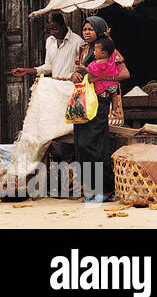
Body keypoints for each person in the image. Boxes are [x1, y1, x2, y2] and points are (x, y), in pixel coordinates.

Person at [69, 16, 130, 202]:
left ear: (99, 30)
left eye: (90, 29)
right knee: (81, 145)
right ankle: (90, 188)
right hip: (83, 100)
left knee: (96, 145)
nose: (86, 32)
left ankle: (107, 188)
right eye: (84, 29)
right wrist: (74, 75)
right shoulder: (82, 49)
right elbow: (79, 71)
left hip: (99, 102)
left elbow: (125, 73)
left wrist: (102, 80)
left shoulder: (108, 49)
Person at [8, 13, 84, 82]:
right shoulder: (50, 41)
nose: (52, 33)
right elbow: (49, 66)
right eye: (49, 30)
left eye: (55, 29)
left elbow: (84, 68)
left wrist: (74, 74)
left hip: (71, 88)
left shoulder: (78, 42)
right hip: (55, 87)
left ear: (63, 25)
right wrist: (27, 71)